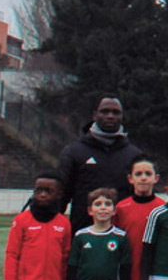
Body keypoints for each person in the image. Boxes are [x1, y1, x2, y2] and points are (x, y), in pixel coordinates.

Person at [54, 97, 145, 231]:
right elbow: (61, 194)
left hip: (122, 236)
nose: (110, 116)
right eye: (105, 111)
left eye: (115, 112)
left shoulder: (134, 155)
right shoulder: (74, 152)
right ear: (94, 115)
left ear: (122, 116)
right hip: (83, 233)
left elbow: (143, 198)